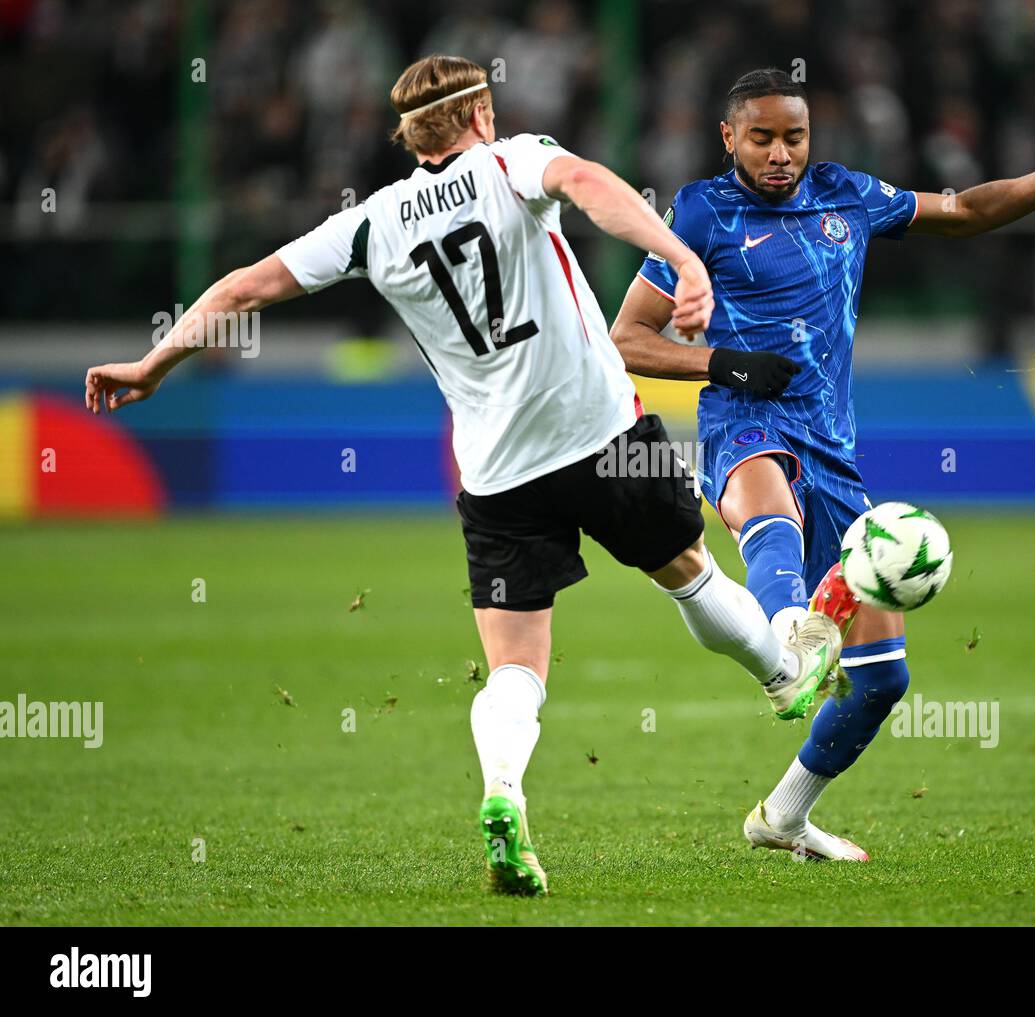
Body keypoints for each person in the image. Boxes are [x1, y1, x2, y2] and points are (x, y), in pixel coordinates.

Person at [83, 56, 845, 896]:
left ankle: (503, 794)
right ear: (481, 110)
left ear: (410, 134)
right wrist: (681, 257)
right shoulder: (515, 159)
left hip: (496, 471)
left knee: (516, 664)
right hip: (599, 433)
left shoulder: (369, 223)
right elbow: (590, 182)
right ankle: (780, 672)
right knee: (688, 570)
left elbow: (242, 287)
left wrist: (155, 363)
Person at [610, 68, 1035, 861]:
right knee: (770, 511)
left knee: (882, 680)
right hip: (744, 421)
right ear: (728, 137)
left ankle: (784, 817)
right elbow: (626, 336)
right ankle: (790, 643)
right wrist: (724, 363)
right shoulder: (699, 212)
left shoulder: (847, 196)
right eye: (760, 137)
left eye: (793, 136)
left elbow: (966, 211)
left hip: (832, 446)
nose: (779, 153)